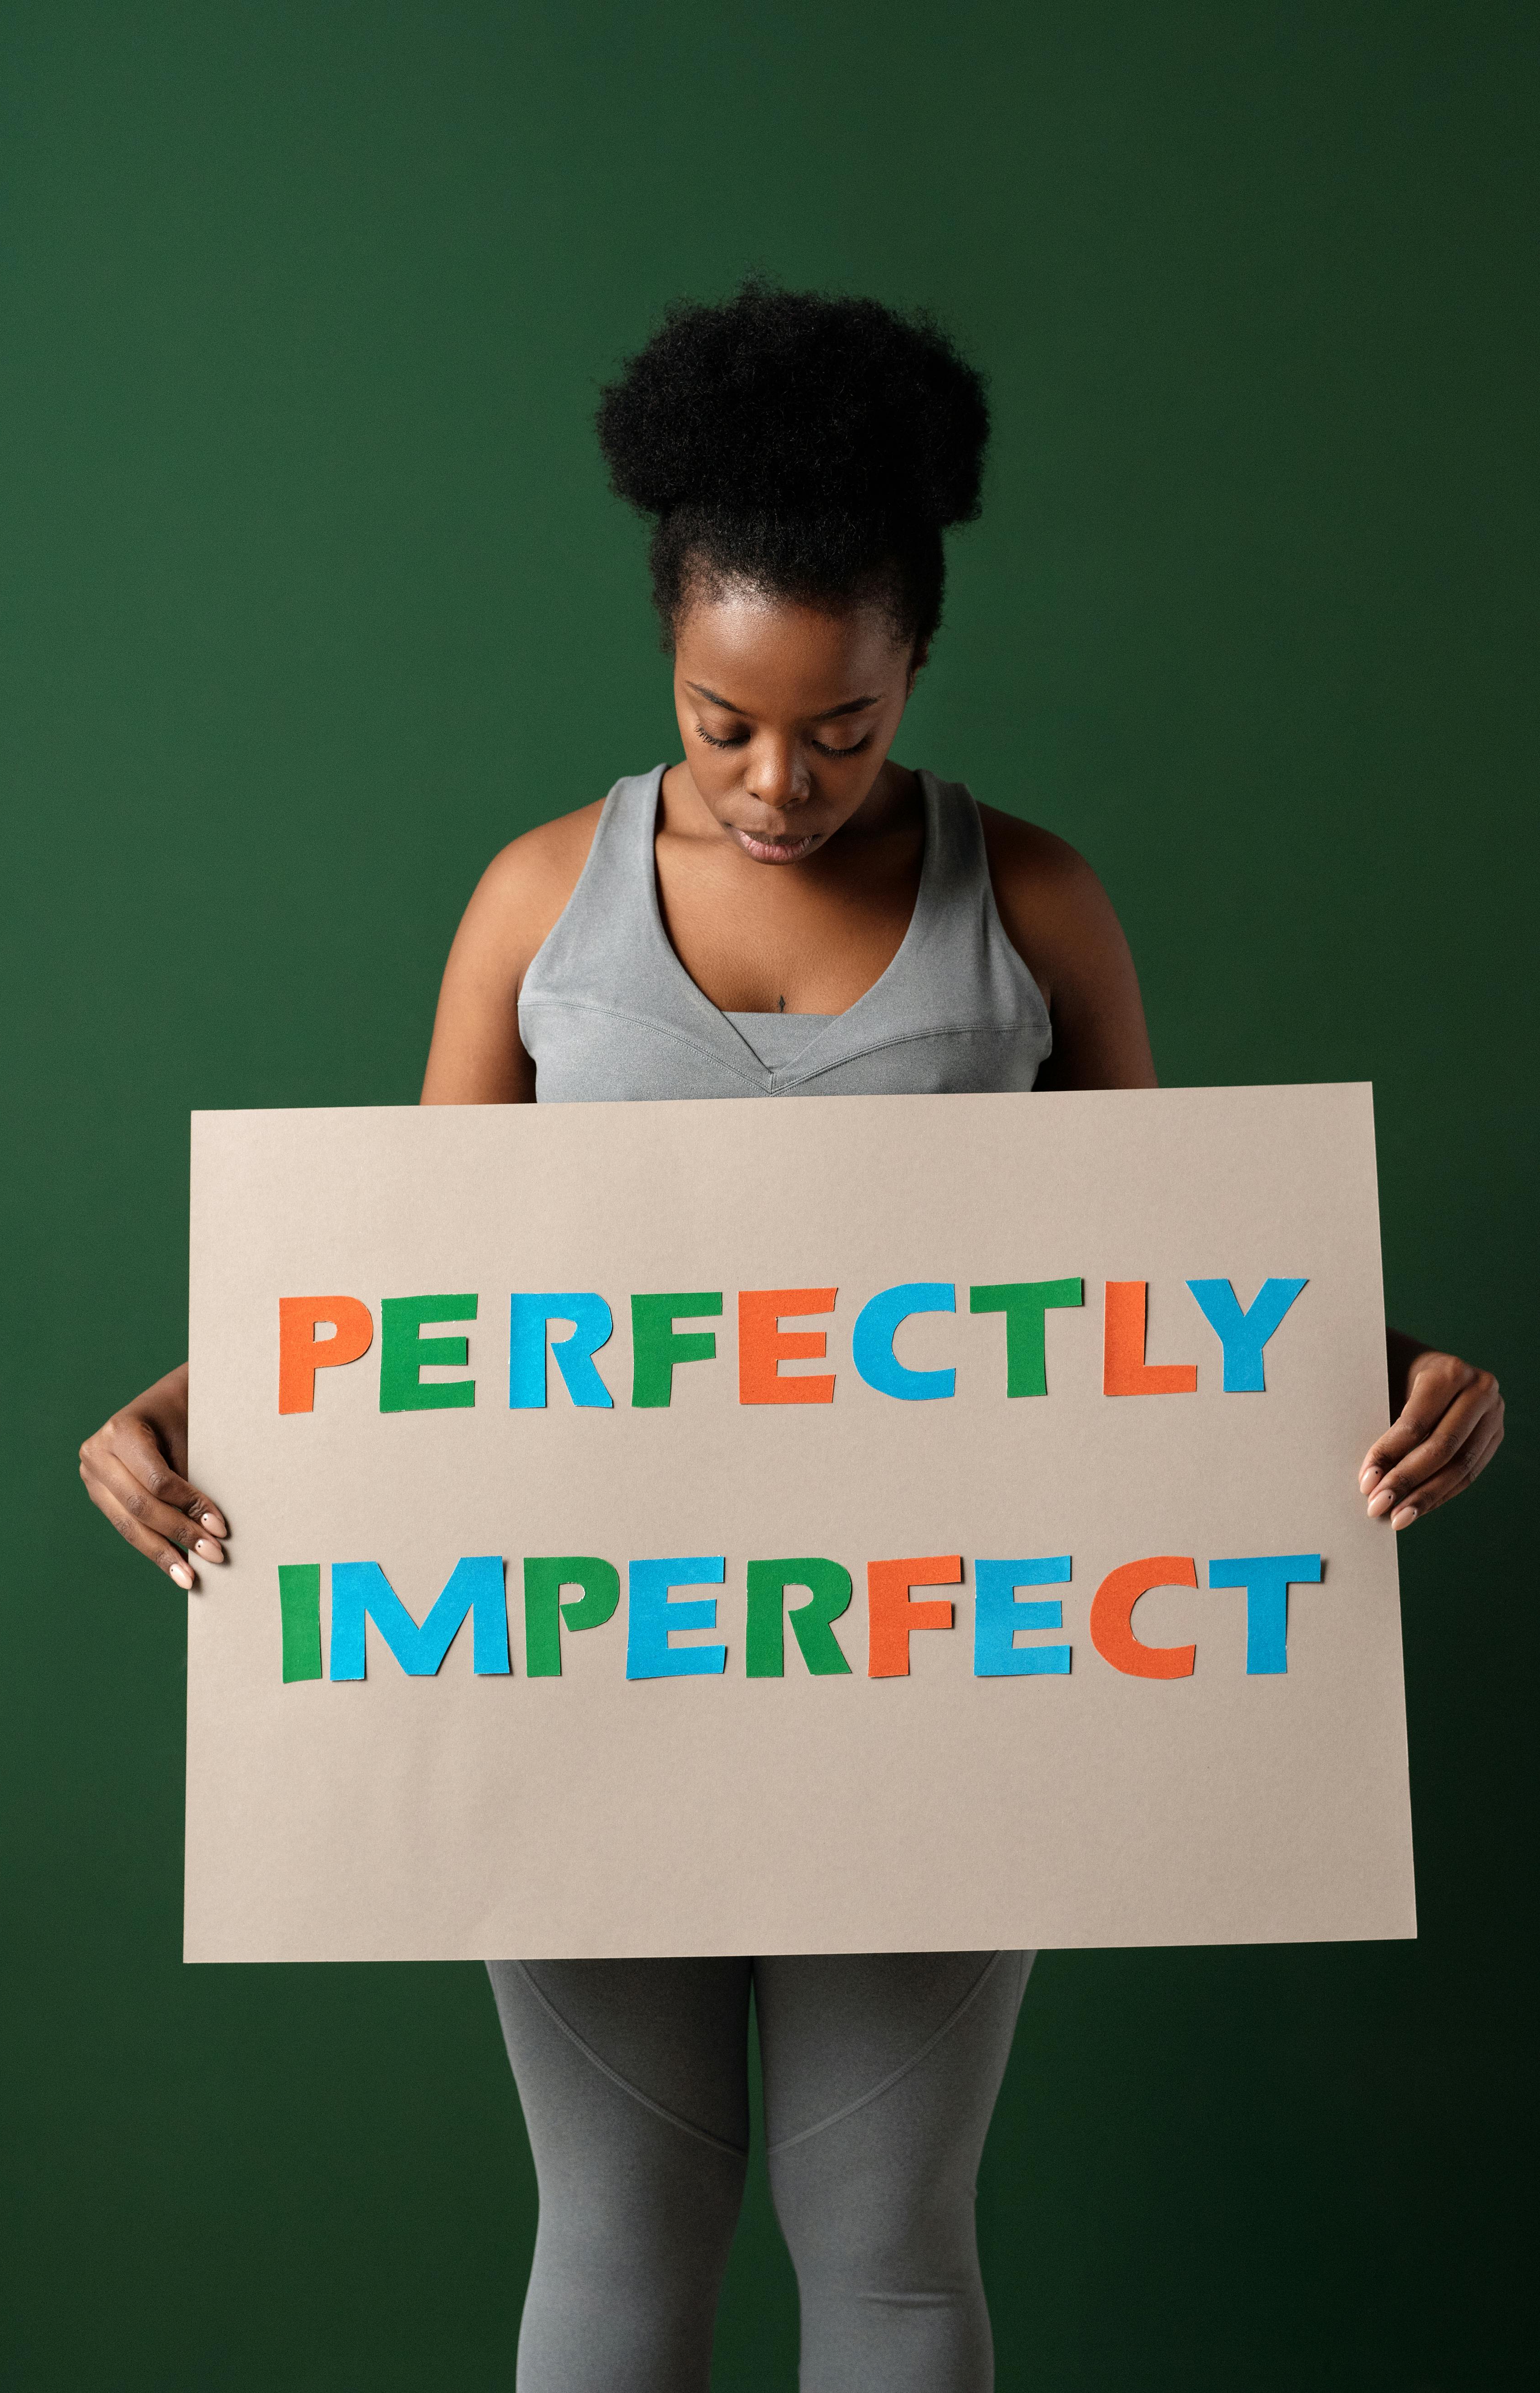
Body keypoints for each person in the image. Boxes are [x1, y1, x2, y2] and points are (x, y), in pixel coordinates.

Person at [78, 283, 1504, 2393]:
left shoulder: (1032, 904)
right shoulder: (529, 908)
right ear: (665, 656)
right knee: (619, 2226)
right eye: (718, 719)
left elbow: (1170, 1300)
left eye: (836, 727)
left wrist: (1401, 1371)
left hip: (933, 1672)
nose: (775, 779)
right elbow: (396, 1304)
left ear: (914, 662)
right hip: (577, 1666)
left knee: (887, 2231)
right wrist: (176, 1411)